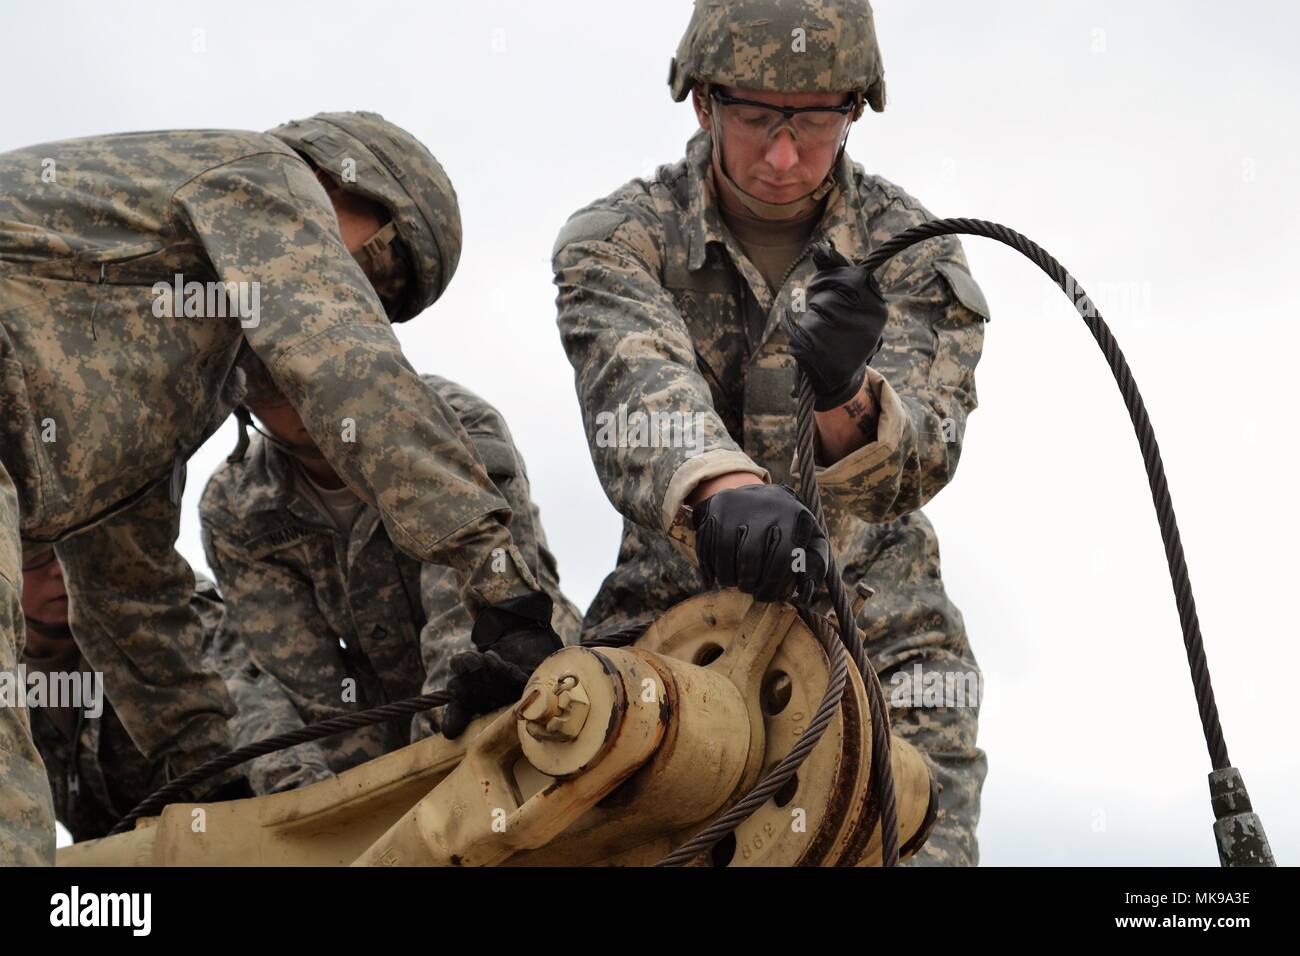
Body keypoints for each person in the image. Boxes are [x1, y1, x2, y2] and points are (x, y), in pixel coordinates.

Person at [0, 110, 559, 864]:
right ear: (348, 182)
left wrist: (209, 781)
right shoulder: (262, 174)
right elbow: (340, 356)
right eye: (381, 277)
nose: (366, 302)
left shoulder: (185, 367)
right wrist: (500, 584)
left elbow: (123, 582)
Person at [552, 0, 991, 864]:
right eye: (756, 118)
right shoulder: (619, 242)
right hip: (670, 625)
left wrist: (845, 395)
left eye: (815, 122)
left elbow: (919, 463)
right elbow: (633, 378)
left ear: (854, 112)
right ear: (703, 103)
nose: (784, 155)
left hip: (880, 635)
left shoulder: (913, 253)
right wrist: (722, 490)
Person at [200, 371, 580, 793]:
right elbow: (314, 690)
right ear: (242, 395)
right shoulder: (236, 505)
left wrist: (436, 775)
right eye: (274, 381)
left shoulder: (451, 421)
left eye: (313, 366)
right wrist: (363, 807)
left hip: (521, 676)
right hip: (385, 714)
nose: (304, 393)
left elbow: (473, 615)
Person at [19, 544, 227, 841]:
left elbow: (257, 733)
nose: (60, 567)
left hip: (218, 838)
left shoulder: (164, 612)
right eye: (37, 554)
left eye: (72, 544)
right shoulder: (7, 676)